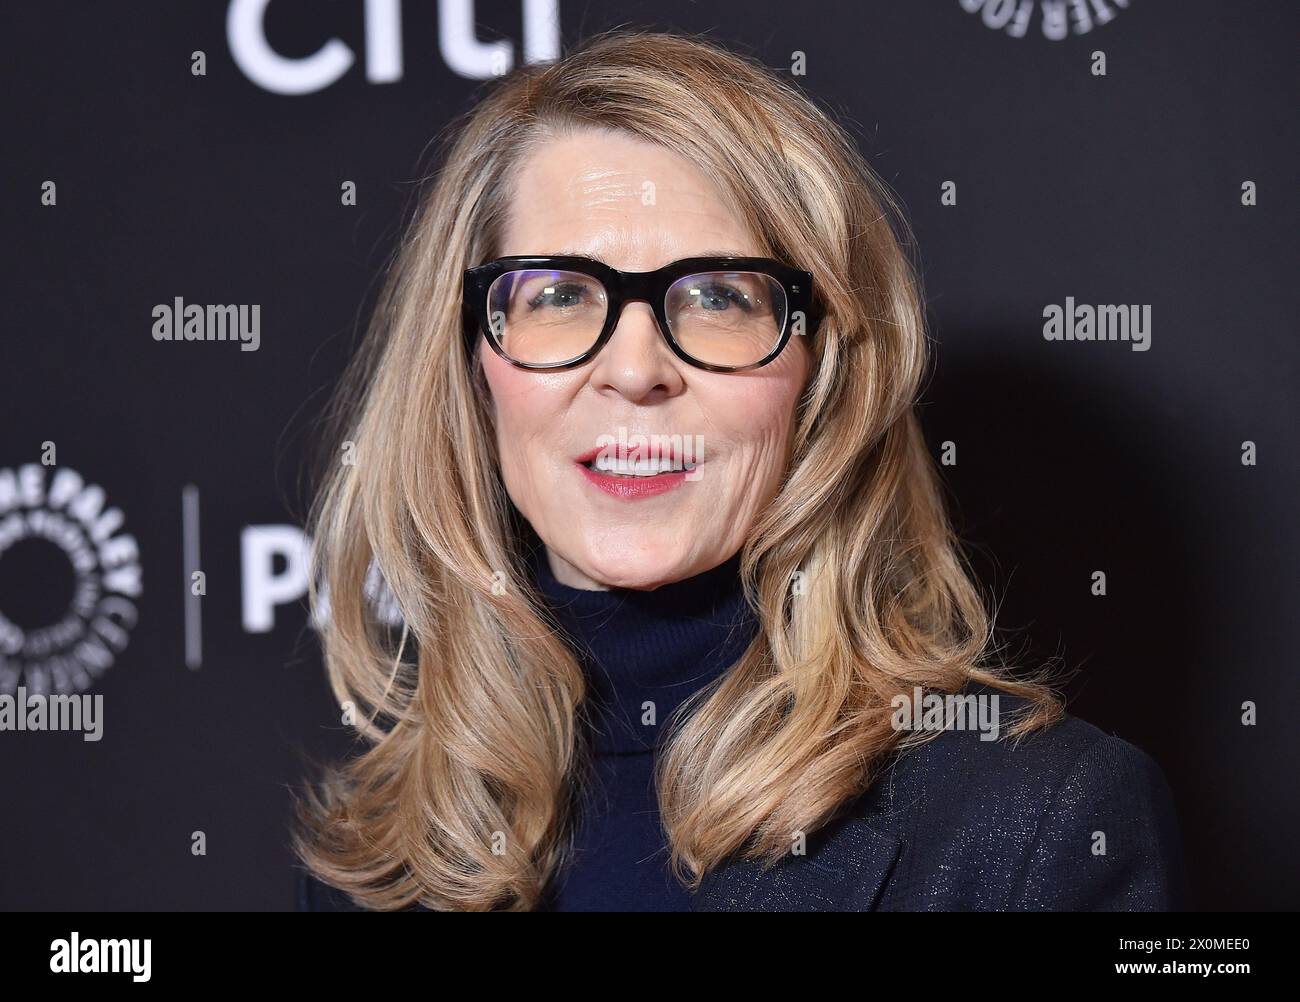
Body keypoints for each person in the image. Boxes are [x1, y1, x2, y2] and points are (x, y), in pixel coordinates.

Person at [293, 29, 1187, 912]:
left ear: (823, 371)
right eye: (560, 294)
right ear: (469, 368)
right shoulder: (372, 859)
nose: (636, 370)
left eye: (717, 296)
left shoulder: (1042, 824)